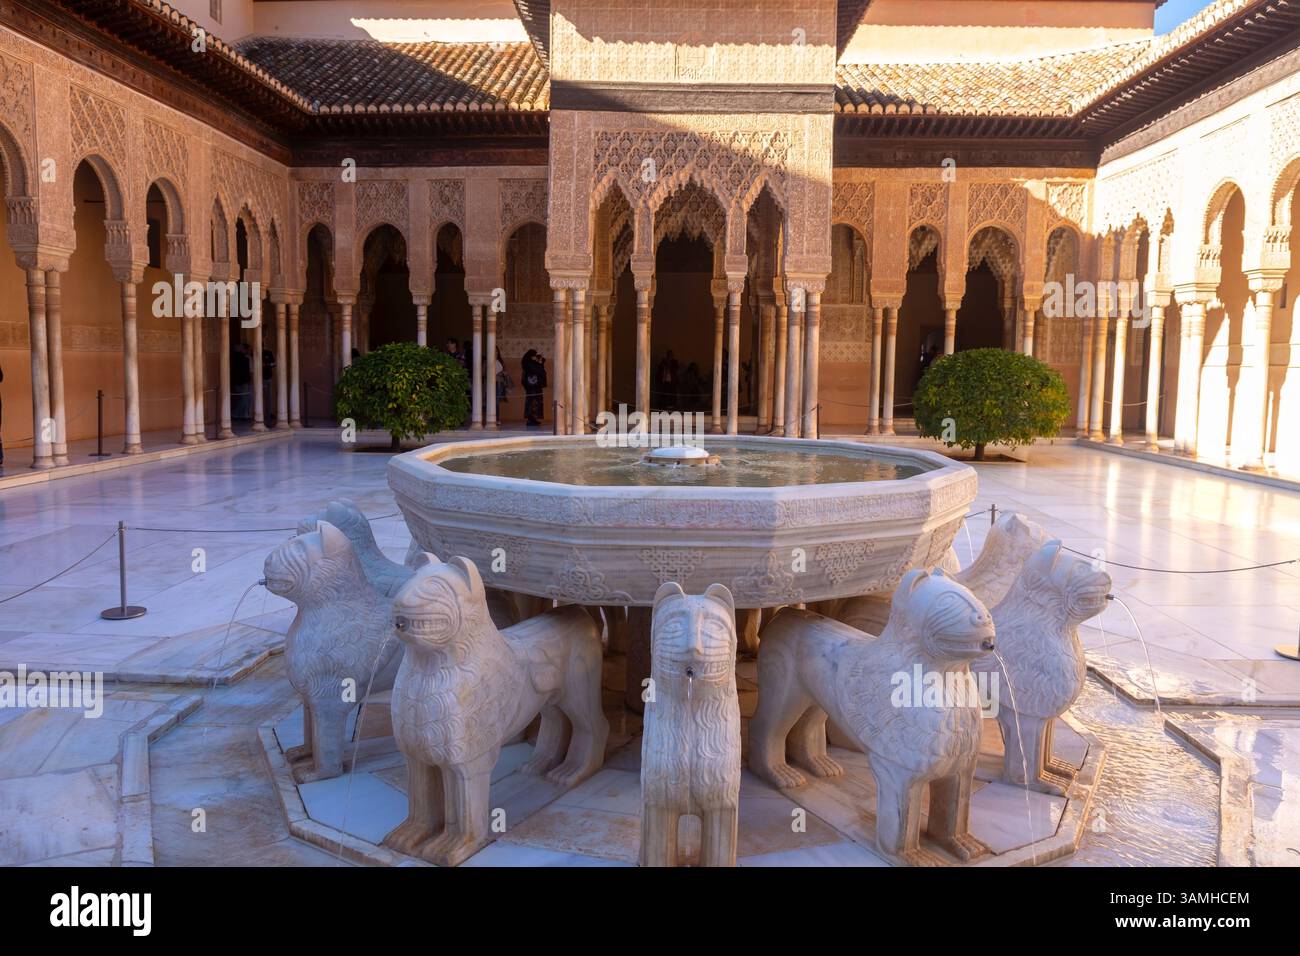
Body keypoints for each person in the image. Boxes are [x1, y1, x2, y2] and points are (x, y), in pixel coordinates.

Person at [522, 349, 547, 426]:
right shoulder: (529, 364)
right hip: (533, 387)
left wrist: (540, 361)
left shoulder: (530, 363)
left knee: (535, 403)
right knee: (532, 403)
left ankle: (534, 419)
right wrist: (540, 363)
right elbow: (538, 370)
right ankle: (531, 419)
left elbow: (540, 369)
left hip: (534, 387)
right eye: (534, 355)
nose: (535, 357)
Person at [231, 342, 253, 421]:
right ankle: (235, 414)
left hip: (243, 381)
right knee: (244, 399)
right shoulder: (242, 358)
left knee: (246, 399)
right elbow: (247, 371)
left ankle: (243, 415)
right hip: (241, 382)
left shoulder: (244, 358)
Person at [495, 346, 512, 411]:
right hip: (491, 383)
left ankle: (497, 419)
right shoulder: (487, 360)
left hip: (500, 383)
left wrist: (503, 373)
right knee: (492, 401)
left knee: (497, 401)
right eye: (494, 351)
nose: (495, 352)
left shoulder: (500, 361)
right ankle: (493, 418)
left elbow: (505, 371)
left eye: (496, 351)